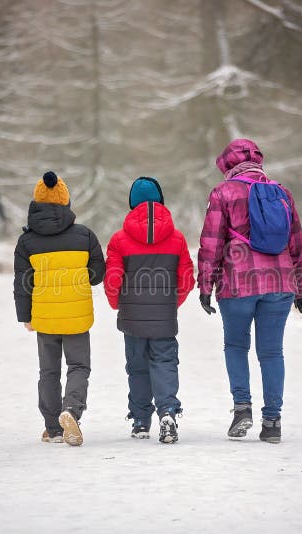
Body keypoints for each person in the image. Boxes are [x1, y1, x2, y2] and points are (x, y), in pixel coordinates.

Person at [197, 138, 302, 444]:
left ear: (227, 165)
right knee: (272, 352)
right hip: (280, 281)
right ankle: (272, 421)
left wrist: (205, 284)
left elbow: (212, 242)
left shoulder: (223, 192)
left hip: (238, 281)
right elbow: (297, 244)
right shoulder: (282, 193)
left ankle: (242, 409)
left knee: (236, 346)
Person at [13, 171, 105, 446]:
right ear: (65, 200)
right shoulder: (84, 235)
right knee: (78, 365)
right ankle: (72, 410)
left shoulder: (26, 242)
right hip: (77, 315)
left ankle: (53, 427)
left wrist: (25, 316)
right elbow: (99, 271)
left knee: (49, 372)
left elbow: (22, 283)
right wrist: (79, 276)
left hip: (45, 316)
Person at [104, 177, 195, 443]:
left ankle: (141, 421)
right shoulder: (176, 239)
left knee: (137, 367)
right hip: (164, 317)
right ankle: (167, 411)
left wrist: (116, 304)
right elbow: (187, 278)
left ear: (132, 203)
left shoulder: (119, 239)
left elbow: (112, 279)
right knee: (165, 363)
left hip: (132, 318)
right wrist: (171, 303)